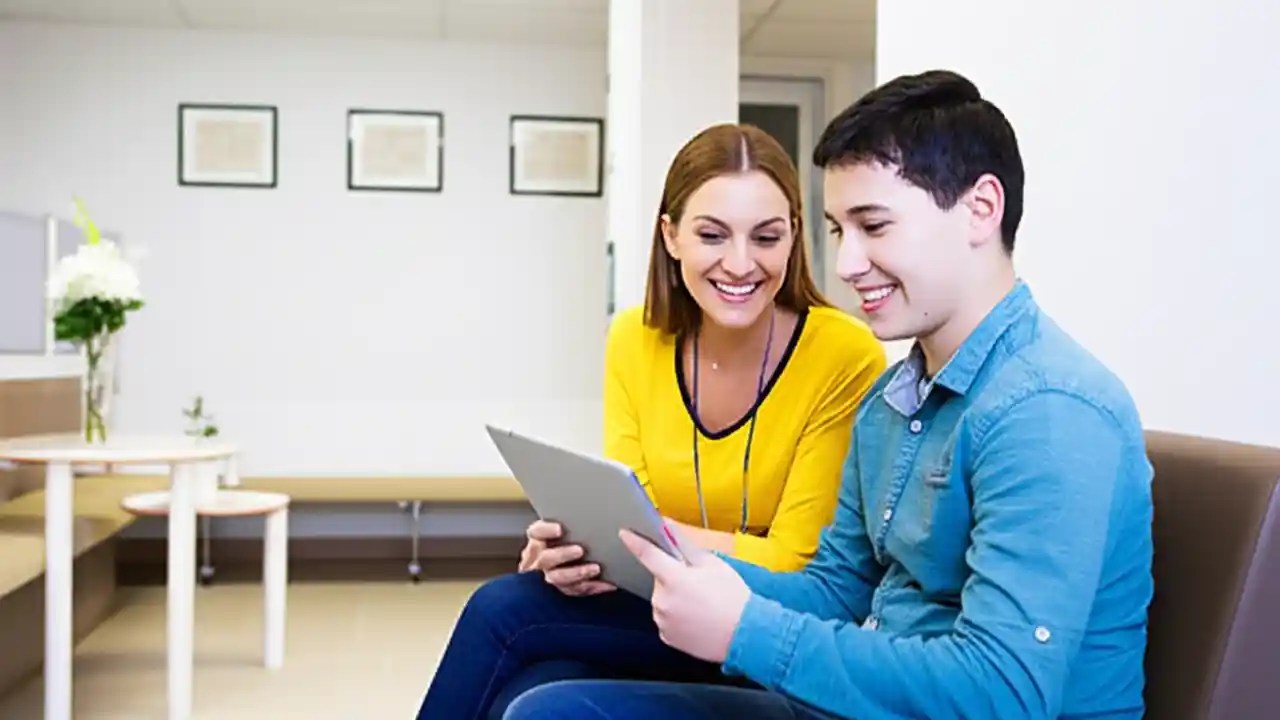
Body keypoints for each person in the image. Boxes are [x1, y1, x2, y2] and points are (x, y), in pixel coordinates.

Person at [502, 70, 1156, 720]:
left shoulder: (1047, 412)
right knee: (546, 689)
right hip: (859, 702)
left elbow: (1004, 693)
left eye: (874, 226)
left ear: (981, 209)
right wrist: (643, 556)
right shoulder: (896, 400)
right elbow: (837, 591)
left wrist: (745, 629)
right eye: (840, 231)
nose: (844, 264)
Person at [414, 123, 886, 720]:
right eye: (712, 234)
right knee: (532, 683)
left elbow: (796, 561)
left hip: (764, 621)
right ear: (670, 235)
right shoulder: (634, 338)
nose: (741, 263)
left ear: (794, 236)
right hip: (659, 602)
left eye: (766, 237)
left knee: (502, 612)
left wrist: (635, 539)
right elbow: (624, 504)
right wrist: (575, 549)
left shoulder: (844, 354)